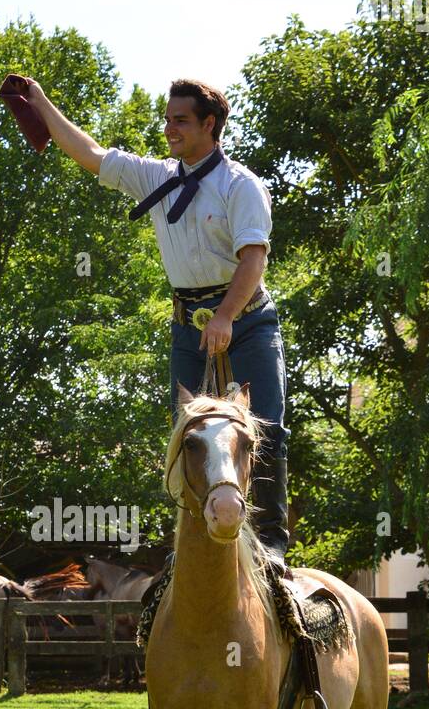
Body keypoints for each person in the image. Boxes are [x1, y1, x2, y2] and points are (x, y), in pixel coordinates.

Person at [15, 75, 290, 574]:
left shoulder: (241, 185)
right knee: (187, 434)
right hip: (188, 324)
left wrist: (226, 314)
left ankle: (270, 545)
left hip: (246, 320)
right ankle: (193, 540)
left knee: (264, 428)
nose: (169, 129)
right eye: (167, 119)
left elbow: (254, 260)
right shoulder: (157, 176)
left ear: (210, 125)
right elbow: (92, 153)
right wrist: (41, 102)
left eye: (180, 120)